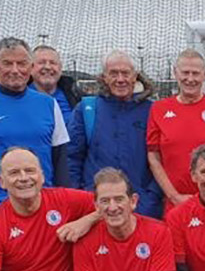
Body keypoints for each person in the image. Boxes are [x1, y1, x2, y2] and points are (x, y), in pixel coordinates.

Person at [0, 37, 71, 229]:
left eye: (22, 63)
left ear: (31, 67)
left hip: (45, 208)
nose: (15, 70)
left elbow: (61, 162)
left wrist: (65, 205)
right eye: (7, 63)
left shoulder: (49, 104)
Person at [67, 50, 164, 219]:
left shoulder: (153, 111)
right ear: (104, 77)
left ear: (135, 77)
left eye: (125, 73)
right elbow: (72, 159)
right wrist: (84, 198)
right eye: (113, 73)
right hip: (98, 209)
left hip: (143, 208)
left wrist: (151, 198)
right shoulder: (87, 110)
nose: (120, 79)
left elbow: (162, 157)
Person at [146, 50, 205, 210]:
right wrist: (174, 196)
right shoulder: (159, 109)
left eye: (195, 73)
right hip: (175, 203)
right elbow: (153, 157)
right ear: (175, 73)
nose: (190, 79)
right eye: (185, 73)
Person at [29, 45, 80, 119]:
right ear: (31, 68)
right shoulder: (20, 97)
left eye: (53, 63)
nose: (48, 67)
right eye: (41, 62)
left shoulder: (75, 95)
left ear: (60, 68)